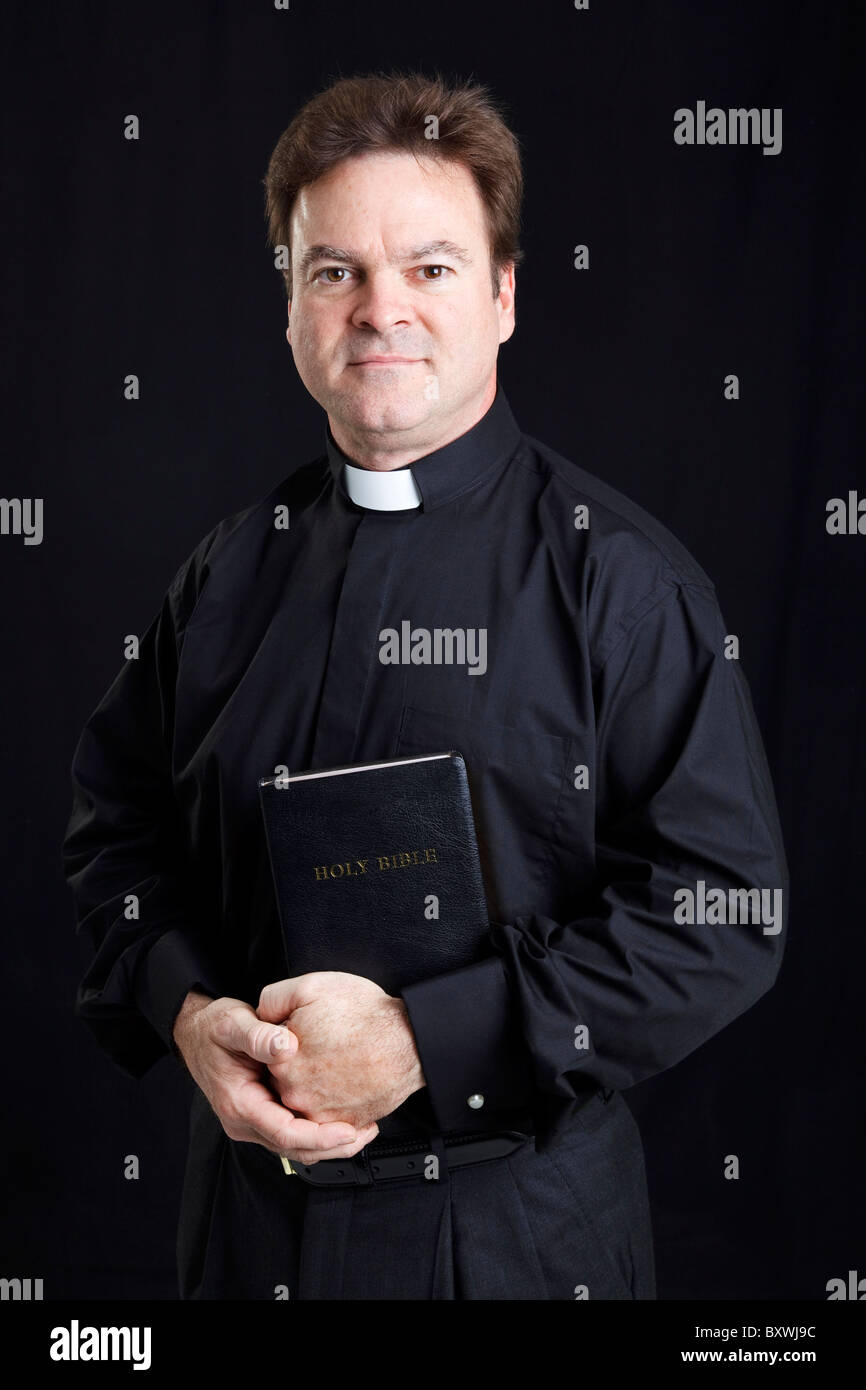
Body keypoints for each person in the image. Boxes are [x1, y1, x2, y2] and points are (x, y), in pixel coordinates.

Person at [63, 70, 788, 1301]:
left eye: (431, 268)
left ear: (504, 296)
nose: (377, 308)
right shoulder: (224, 574)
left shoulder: (621, 585)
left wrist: (418, 1042)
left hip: (516, 1240)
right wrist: (185, 1008)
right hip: (248, 1239)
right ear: (288, 306)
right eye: (333, 269)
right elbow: (113, 836)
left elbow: (722, 916)